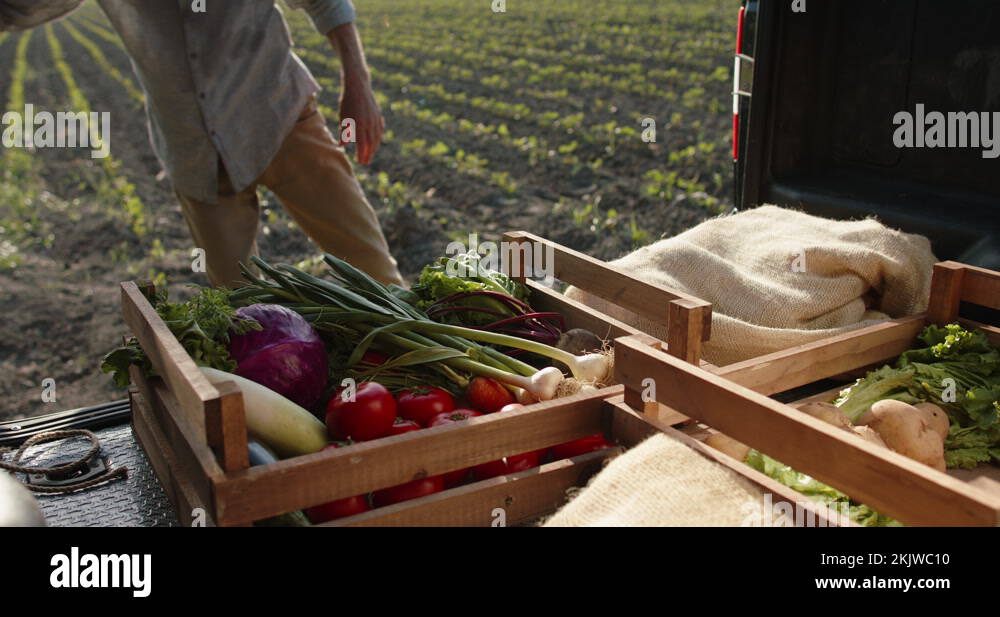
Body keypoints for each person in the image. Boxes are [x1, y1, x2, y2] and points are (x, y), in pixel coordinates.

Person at [0, 0, 405, 288]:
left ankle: (423, 382)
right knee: (238, 306)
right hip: (193, 147)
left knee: (374, 271)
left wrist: (359, 85)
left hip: (281, 116)